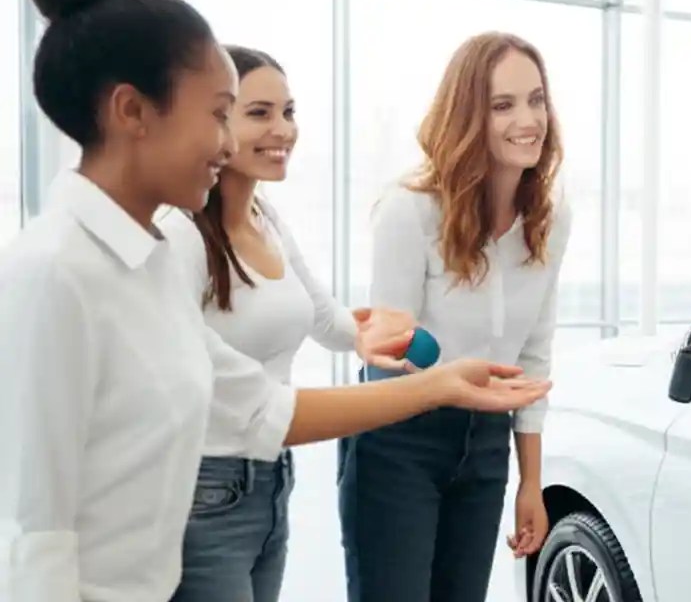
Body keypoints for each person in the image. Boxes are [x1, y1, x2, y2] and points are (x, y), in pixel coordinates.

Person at [0, 0, 550, 602]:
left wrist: (441, 384)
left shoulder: (138, 266)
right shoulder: (54, 271)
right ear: (132, 112)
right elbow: (32, 539)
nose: (229, 142)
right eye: (218, 115)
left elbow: (261, 409)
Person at [159, 45, 493, 602]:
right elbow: (252, 405)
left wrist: (373, 332)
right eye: (259, 112)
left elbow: (325, 318)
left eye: (289, 112)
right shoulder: (179, 236)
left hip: (269, 481)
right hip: (200, 491)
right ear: (215, 122)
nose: (283, 130)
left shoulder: (268, 220)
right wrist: (428, 388)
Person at [339, 31, 571, 601]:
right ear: (469, 115)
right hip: (399, 438)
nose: (528, 118)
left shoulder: (549, 219)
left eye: (536, 99)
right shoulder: (409, 209)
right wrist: (454, 375)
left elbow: (533, 353)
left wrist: (531, 483)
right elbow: (391, 348)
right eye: (503, 104)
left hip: (487, 443)